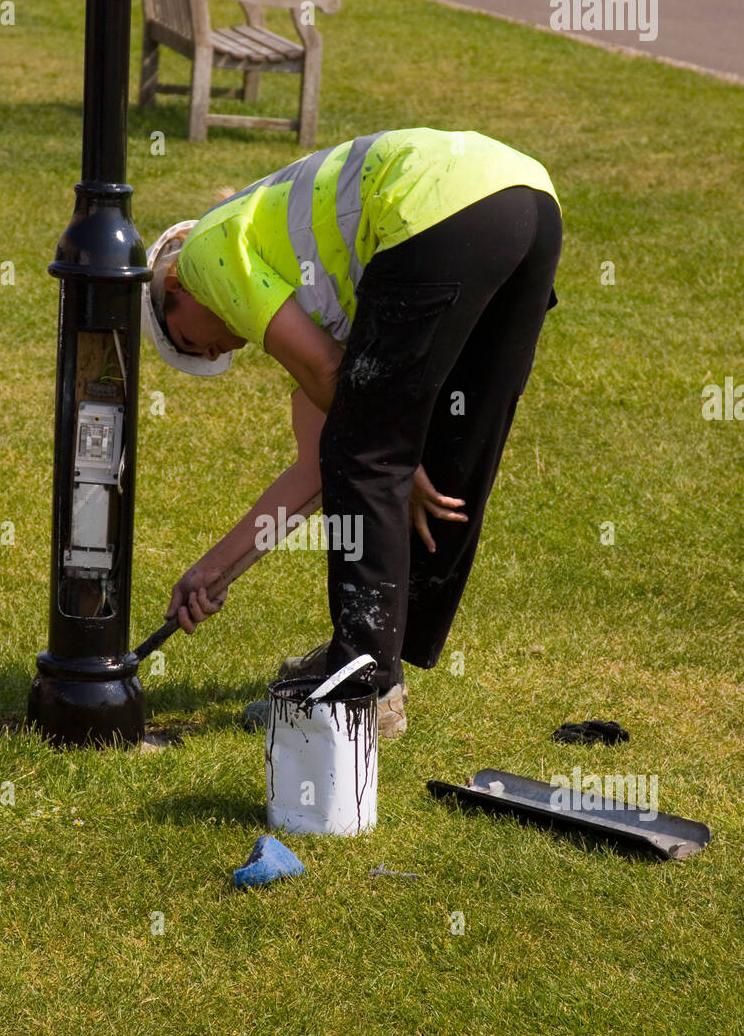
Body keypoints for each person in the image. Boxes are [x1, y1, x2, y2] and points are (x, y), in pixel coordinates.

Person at [141, 128, 562, 737]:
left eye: (188, 341)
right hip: (528, 198)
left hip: (434, 209)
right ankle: (377, 667)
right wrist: (214, 571)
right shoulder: (311, 288)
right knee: (450, 447)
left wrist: (391, 451)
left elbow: (332, 385)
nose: (212, 352)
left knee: (368, 456)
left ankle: (360, 689)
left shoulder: (205, 255)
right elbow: (317, 467)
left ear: (174, 285)